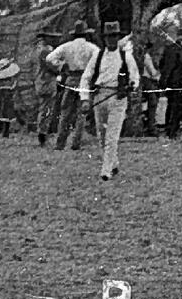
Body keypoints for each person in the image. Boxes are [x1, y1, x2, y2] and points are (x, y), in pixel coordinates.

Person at [82, 21, 141, 180]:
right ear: (104, 39)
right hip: (100, 96)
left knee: (112, 135)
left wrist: (132, 86)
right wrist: (85, 99)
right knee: (101, 134)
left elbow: (135, 76)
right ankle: (113, 163)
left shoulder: (125, 56)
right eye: (108, 37)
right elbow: (86, 77)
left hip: (118, 98)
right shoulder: (98, 55)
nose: (111, 40)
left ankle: (105, 171)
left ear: (118, 37)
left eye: (114, 36)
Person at [44, 21, 98, 150]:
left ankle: (60, 143)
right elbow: (99, 60)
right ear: (86, 34)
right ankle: (76, 143)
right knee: (81, 113)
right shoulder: (92, 48)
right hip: (85, 79)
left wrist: (61, 65)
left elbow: (49, 58)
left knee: (65, 113)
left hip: (70, 79)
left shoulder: (66, 46)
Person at [158, 30, 182, 140]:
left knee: (171, 106)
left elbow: (163, 65)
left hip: (171, 82)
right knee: (177, 107)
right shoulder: (181, 50)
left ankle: (170, 129)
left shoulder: (169, 49)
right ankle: (173, 131)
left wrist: (164, 80)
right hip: (178, 82)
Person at [0, 55, 21, 137]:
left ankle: (4, 130)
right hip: (6, 95)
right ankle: (4, 131)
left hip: (2, 96)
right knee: (6, 113)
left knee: (3, 112)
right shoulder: (10, 79)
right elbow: (14, 84)